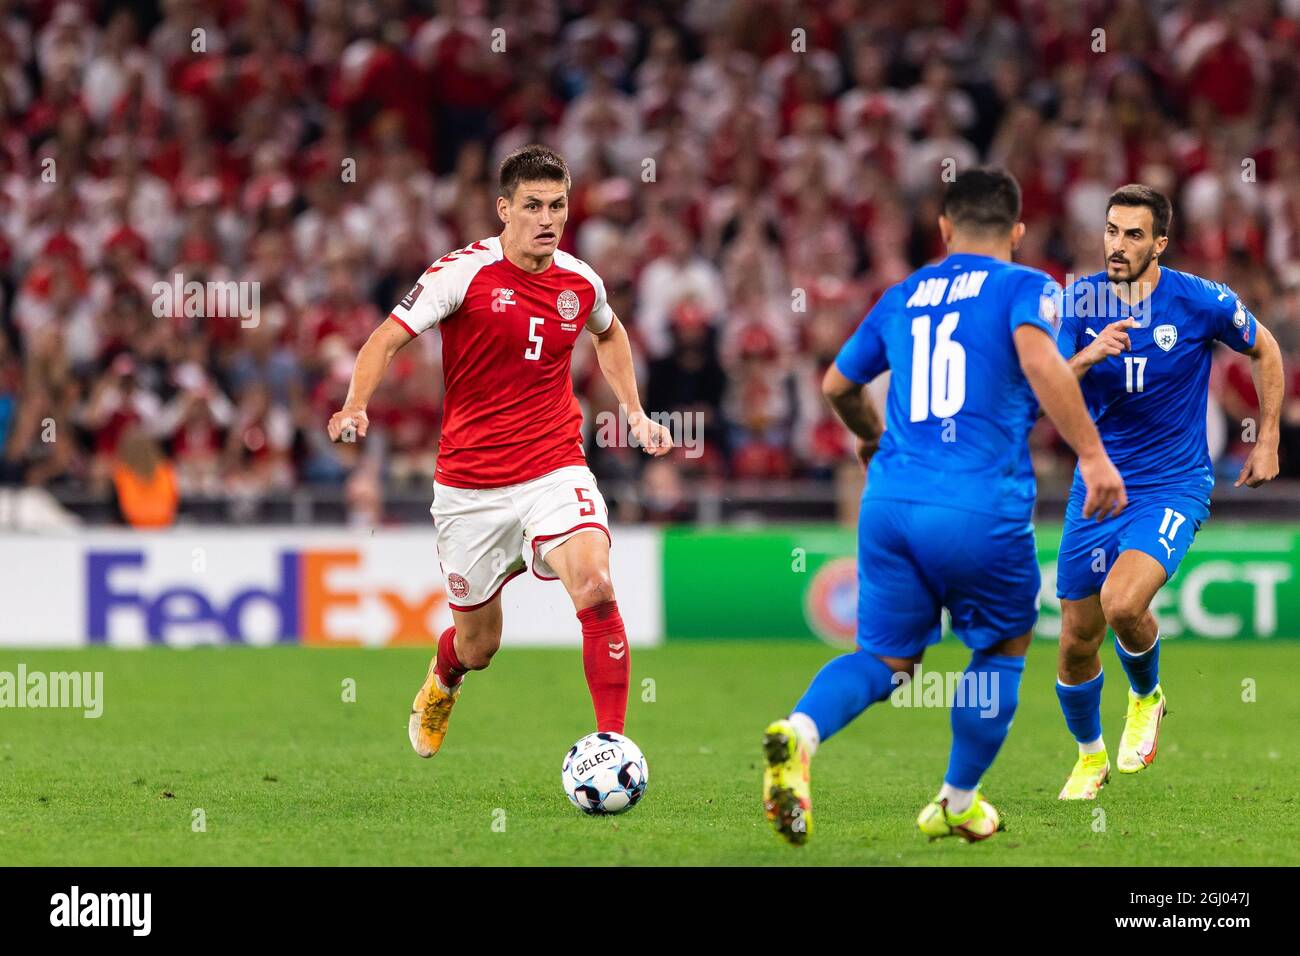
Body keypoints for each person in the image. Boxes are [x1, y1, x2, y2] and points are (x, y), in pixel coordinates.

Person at [761, 167, 1126, 845]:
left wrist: (871, 439)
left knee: (887, 660)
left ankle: (801, 731)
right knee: (1002, 646)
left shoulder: (904, 293)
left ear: (944, 228)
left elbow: (837, 383)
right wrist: (1096, 457)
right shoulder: (1029, 287)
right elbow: (1040, 362)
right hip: (978, 506)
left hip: (890, 503)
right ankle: (958, 798)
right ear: (1017, 230)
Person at [327, 144, 672, 760]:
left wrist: (635, 414)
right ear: (503, 210)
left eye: (558, 206)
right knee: (479, 644)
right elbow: (384, 338)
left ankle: (613, 746)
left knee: (594, 583)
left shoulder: (579, 280)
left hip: (553, 467)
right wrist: (356, 404)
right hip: (470, 487)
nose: (547, 218)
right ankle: (444, 679)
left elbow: (610, 331)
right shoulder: (461, 273)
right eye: (533, 206)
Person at [1054, 184, 1284, 799]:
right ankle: (1088, 756)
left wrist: (1267, 439)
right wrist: (1088, 355)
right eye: (1111, 231)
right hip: (1098, 486)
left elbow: (1267, 348)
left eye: (1133, 235)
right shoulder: (1079, 302)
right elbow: (1044, 386)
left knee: (1122, 604)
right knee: (1076, 639)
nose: (1118, 245)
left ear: (1159, 243)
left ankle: (1146, 695)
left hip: (1172, 484)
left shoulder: (1199, 300)